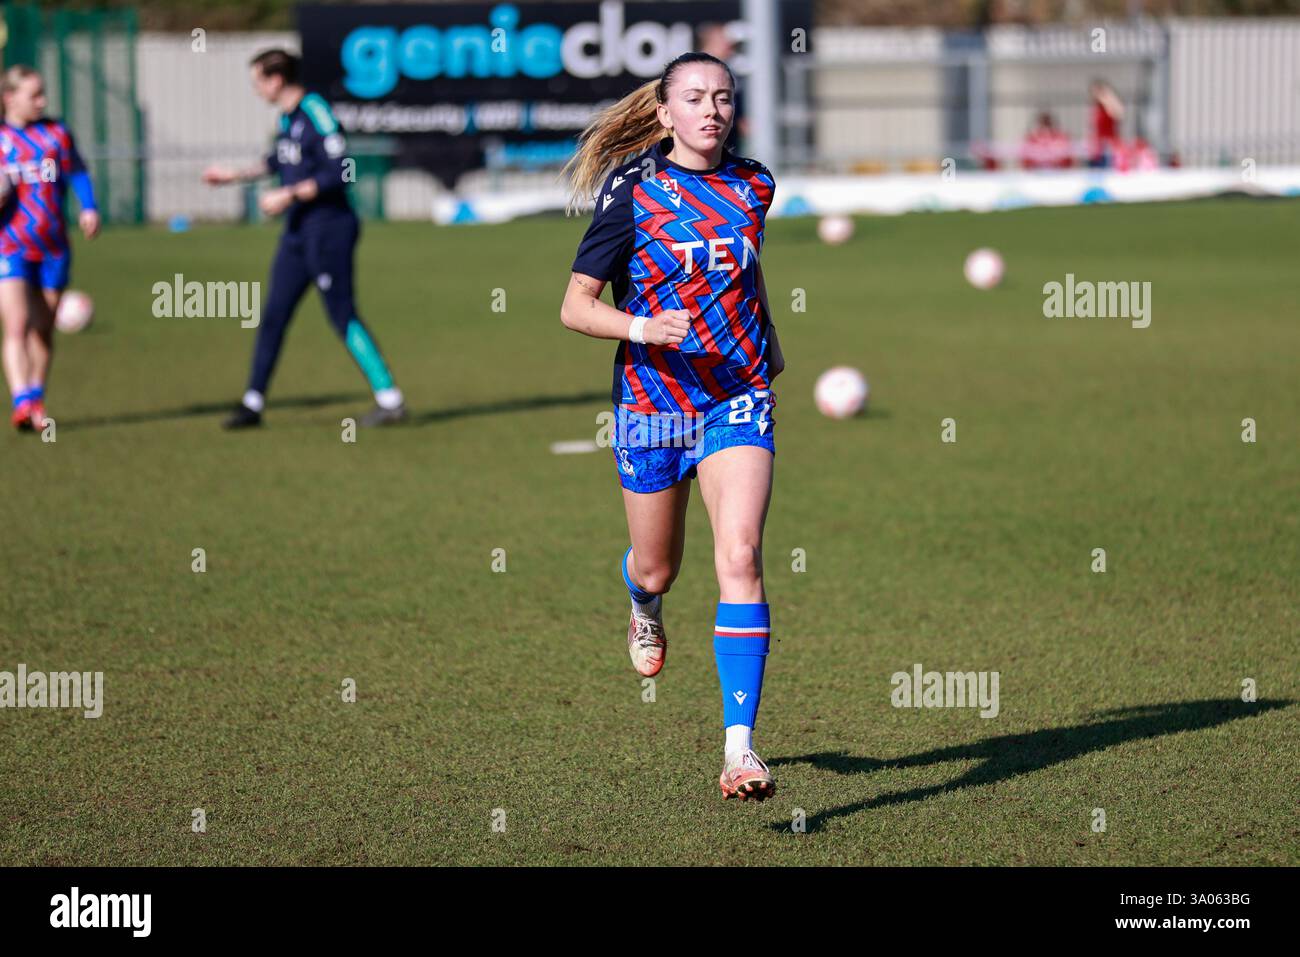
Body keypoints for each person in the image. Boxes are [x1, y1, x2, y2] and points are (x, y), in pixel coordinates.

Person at [560, 51, 786, 802]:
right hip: (652, 405)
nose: (711, 110)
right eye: (694, 98)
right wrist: (644, 328)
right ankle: (642, 604)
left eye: (722, 97)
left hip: (736, 395)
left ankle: (739, 750)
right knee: (658, 569)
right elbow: (575, 306)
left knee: (741, 554)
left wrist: (768, 338)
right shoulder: (632, 192)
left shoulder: (755, 183)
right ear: (664, 113)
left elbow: (744, 272)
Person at [202, 49, 405, 429]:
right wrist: (233, 175)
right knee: (274, 314)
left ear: (276, 79)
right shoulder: (287, 118)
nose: (255, 90)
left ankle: (390, 399)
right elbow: (277, 161)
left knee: (341, 313)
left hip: (329, 229)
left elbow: (341, 171)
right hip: (298, 230)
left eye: (258, 82)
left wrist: (289, 194)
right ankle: (252, 403)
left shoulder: (316, 112)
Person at [0, 65, 100, 432]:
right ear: (10, 98)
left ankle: (36, 396)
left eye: (43, 94)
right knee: (16, 325)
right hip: (9, 245)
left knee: (42, 329)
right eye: (34, 95)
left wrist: (89, 207)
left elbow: (77, 171)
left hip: (53, 246)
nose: (42, 101)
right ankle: (21, 401)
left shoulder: (56, 134)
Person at [1087, 80, 1124, 168]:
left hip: (1108, 146)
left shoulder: (1108, 106)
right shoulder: (1097, 108)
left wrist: (1107, 97)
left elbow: (1119, 114)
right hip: (1098, 148)